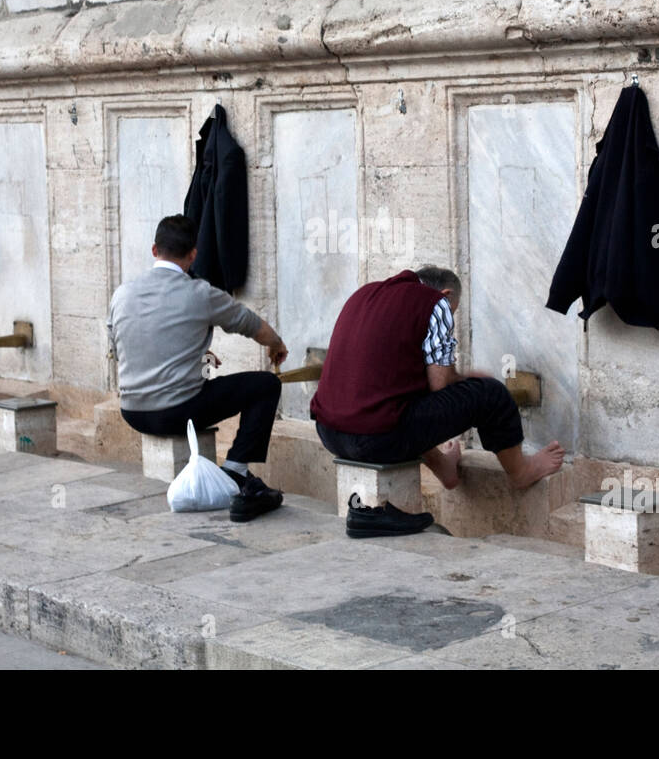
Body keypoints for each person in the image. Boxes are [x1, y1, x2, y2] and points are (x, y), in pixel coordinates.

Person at [311, 266, 565, 534]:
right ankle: (521, 472)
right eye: (453, 312)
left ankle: (444, 467)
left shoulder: (365, 294)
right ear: (445, 295)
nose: (449, 317)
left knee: (398, 401)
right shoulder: (435, 302)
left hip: (330, 434)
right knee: (492, 393)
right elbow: (439, 382)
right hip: (376, 439)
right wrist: (465, 378)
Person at [108, 215, 289, 522]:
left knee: (208, 374)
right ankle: (236, 470)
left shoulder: (122, 294)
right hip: (176, 411)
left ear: (154, 250)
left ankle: (236, 471)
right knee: (265, 386)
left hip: (132, 411)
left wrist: (193, 351)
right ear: (193, 255)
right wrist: (277, 344)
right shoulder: (200, 293)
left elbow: (121, 345)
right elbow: (252, 325)